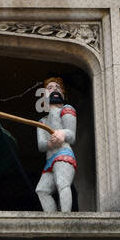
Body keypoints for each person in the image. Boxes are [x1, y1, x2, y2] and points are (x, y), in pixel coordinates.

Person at [35, 76, 76, 213]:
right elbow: (41, 145)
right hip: (49, 160)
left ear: (63, 94)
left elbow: (71, 135)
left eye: (58, 87)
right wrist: (50, 143)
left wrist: (62, 134)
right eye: (50, 88)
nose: (54, 90)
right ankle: (52, 219)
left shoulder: (66, 110)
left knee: (62, 183)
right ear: (44, 95)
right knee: (42, 190)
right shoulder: (42, 121)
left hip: (63, 154)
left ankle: (66, 218)